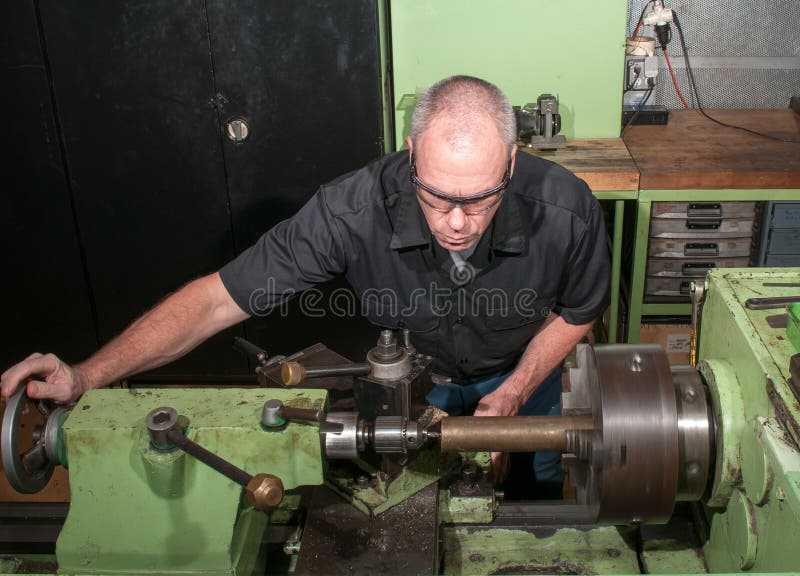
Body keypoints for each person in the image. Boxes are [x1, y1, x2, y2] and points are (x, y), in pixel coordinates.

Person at [1, 75, 609, 486]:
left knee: (544, 482)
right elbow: (217, 301)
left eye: (479, 200)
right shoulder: (348, 211)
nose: (456, 223)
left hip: (526, 374)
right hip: (417, 382)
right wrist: (87, 374)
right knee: (418, 493)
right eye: (435, 196)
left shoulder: (566, 208)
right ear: (411, 151)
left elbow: (580, 310)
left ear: (510, 162)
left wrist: (515, 391)